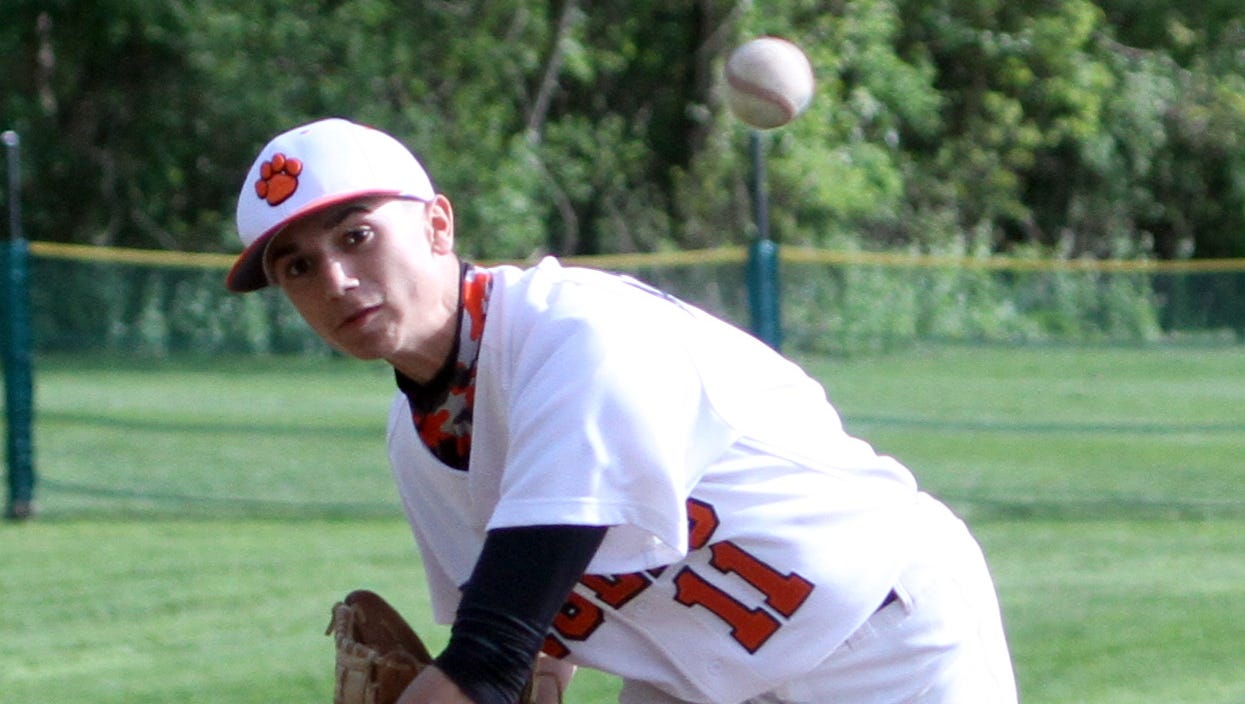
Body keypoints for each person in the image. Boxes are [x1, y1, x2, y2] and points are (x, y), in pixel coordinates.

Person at [227, 117, 1017, 704]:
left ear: (437, 224)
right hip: (695, 680)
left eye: (357, 236)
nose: (333, 279)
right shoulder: (419, 440)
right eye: (297, 266)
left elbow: (488, 660)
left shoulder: (577, 337)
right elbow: (531, 649)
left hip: (884, 635)